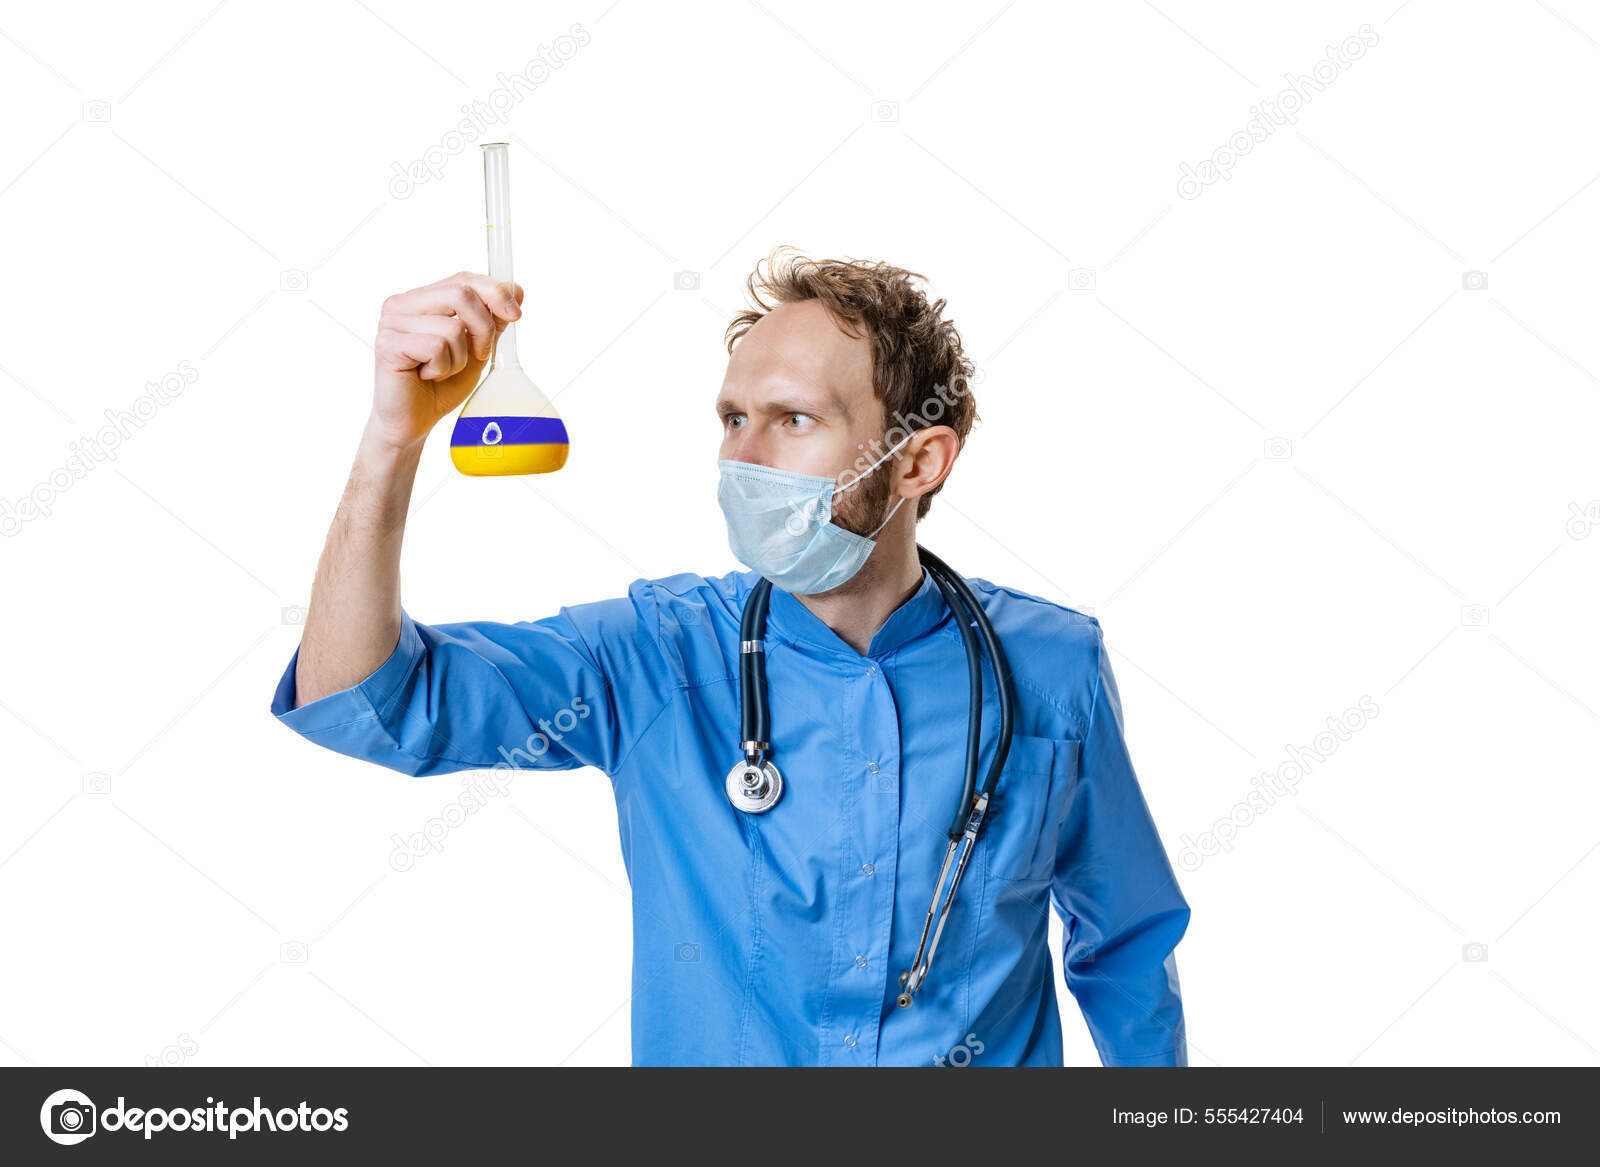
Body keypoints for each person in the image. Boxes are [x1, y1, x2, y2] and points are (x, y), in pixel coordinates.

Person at [270, 246, 1191, 1067]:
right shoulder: (657, 655)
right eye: (731, 417)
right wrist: (393, 440)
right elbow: (363, 700)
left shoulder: (1052, 666)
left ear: (919, 463)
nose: (741, 457)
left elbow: (1125, 943)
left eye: (792, 421)